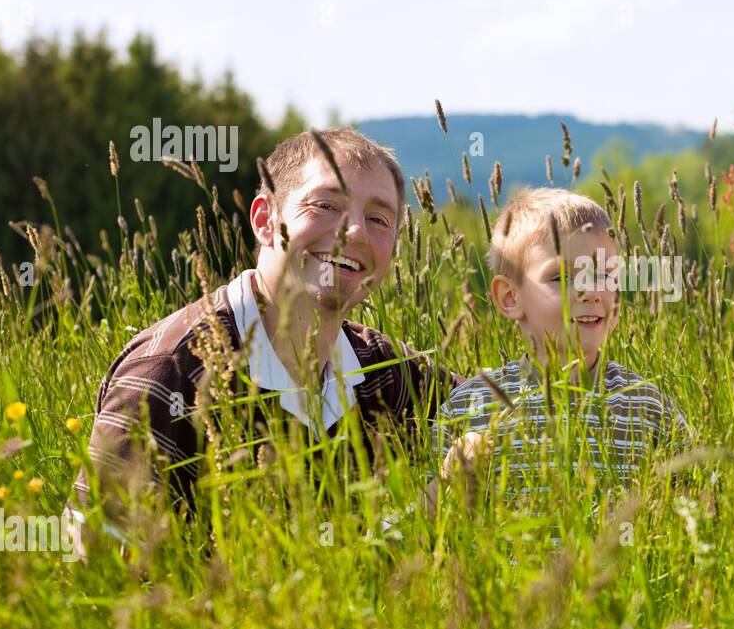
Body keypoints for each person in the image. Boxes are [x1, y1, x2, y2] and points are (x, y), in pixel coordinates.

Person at [70, 127, 457, 540]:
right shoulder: (169, 373)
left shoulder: (380, 370)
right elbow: (96, 570)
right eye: (326, 205)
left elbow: (506, 407)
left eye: (379, 218)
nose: (356, 232)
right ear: (264, 221)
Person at [432, 188, 690, 517]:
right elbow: (425, 525)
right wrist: (452, 477)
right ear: (510, 297)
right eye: (562, 276)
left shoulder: (648, 406)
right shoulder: (471, 405)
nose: (591, 291)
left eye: (603, 275)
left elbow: (700, 509)